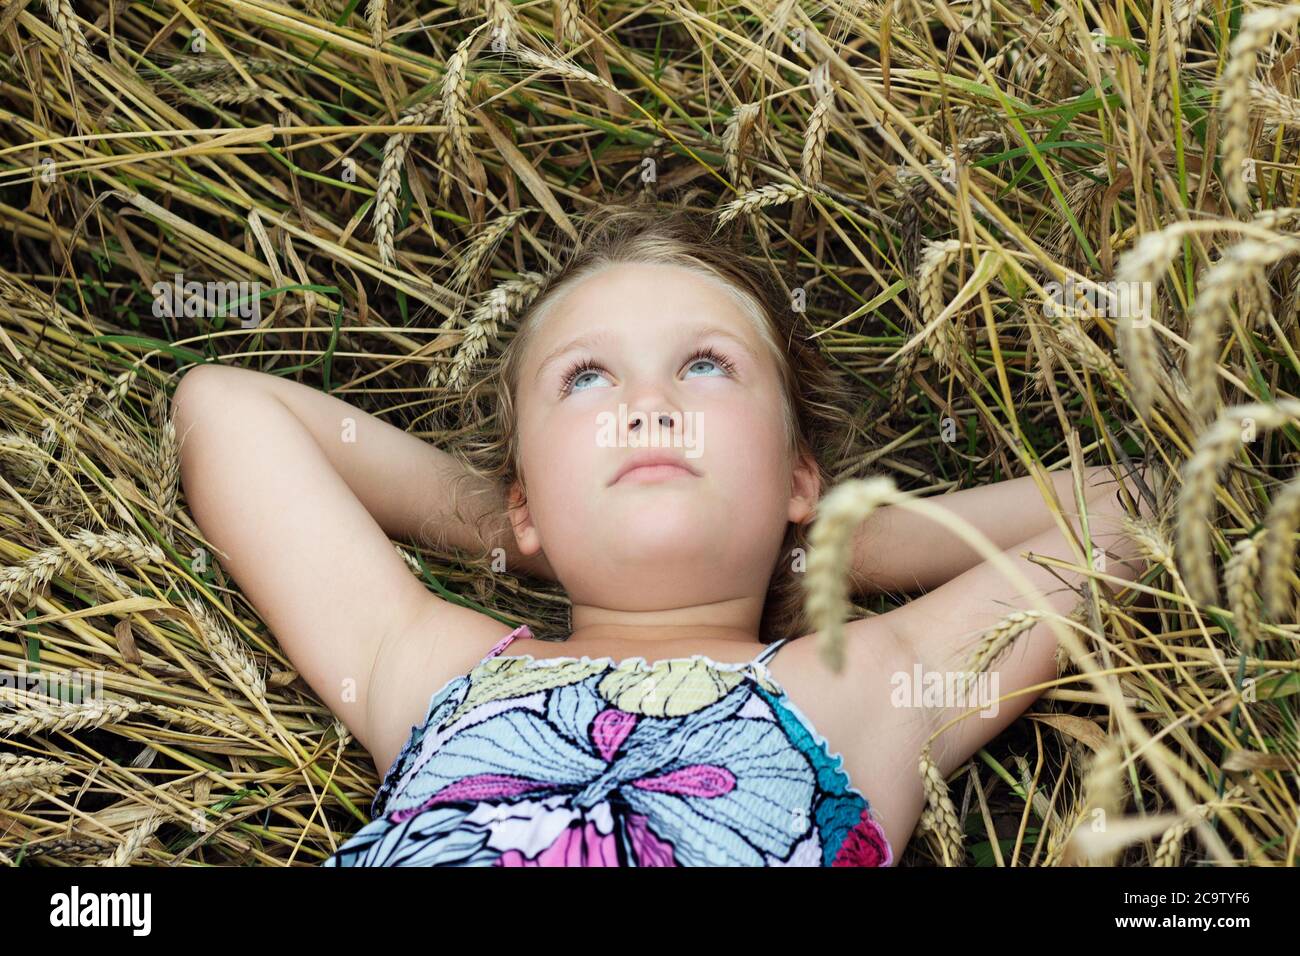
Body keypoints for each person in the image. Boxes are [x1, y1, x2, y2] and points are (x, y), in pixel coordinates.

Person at [172, 204, 1151, 866]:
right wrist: (513, 532)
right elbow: (222, 407)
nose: (647, 401)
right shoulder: (425, 662)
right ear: (525, 498)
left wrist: (825, 541)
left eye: (706, 365)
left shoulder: (874, 683)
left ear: (798, 473)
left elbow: (1126, 507)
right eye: (586, 378)